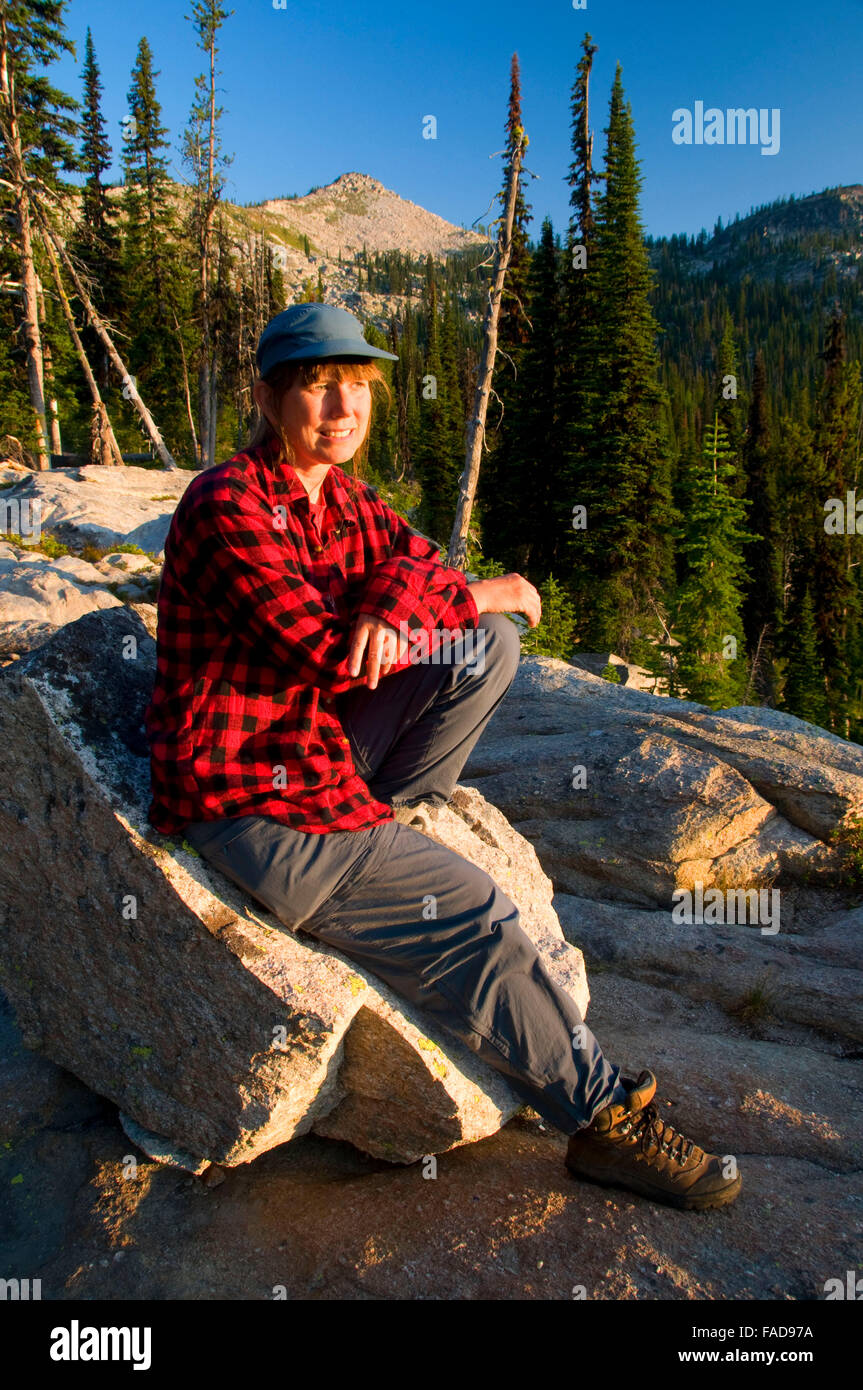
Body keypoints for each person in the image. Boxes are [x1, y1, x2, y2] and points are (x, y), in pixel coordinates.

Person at [144, 303, 741, 1212]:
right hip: (259, 796)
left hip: (323, 747)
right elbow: (320, 649)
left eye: (358, 387)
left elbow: (417, 562)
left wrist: (407, 603)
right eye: (315, 385)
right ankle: (601, 1122)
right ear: (267, 397)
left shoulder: (337, 497)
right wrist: (428, 602)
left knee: (486, 643)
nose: (341, 407)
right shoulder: (227, 501)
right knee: (474, 910)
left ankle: (401, 810)